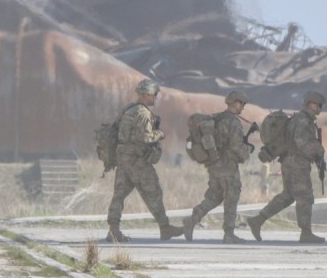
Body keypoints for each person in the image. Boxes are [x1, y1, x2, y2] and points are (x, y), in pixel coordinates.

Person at [104, 79, 184, 243]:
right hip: (137, 161)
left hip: (123, 159)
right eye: (154, 95)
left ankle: (113, 230)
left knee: (119, 195)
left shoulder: (128, 110)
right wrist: (160, 134)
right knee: (154, 192)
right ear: (146, 94)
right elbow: (145, 137)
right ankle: (165, 228)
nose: (155, 98)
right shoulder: (143, 113)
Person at [246, 91, 327, 244]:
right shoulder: (303, 120)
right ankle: (306, 233)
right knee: (305, 197)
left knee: (288, 195)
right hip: (297, 162)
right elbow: (301, 142)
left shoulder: (298, 118)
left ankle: (258, 220)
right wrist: (318, 149)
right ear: (311, 104)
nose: (320, 109)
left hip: (288, 161)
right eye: (319, 105)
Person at [182, 90, 253, 244]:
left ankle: (192, 219)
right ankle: (229, 234)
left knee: (214, 197)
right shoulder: (233, 122)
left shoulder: (217, 118)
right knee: (231, 198)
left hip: (213, 165)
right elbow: (236, 146)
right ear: (237, 103)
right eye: (242, 104)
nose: (243, 107)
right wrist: (248, 151)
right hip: (227, 166)